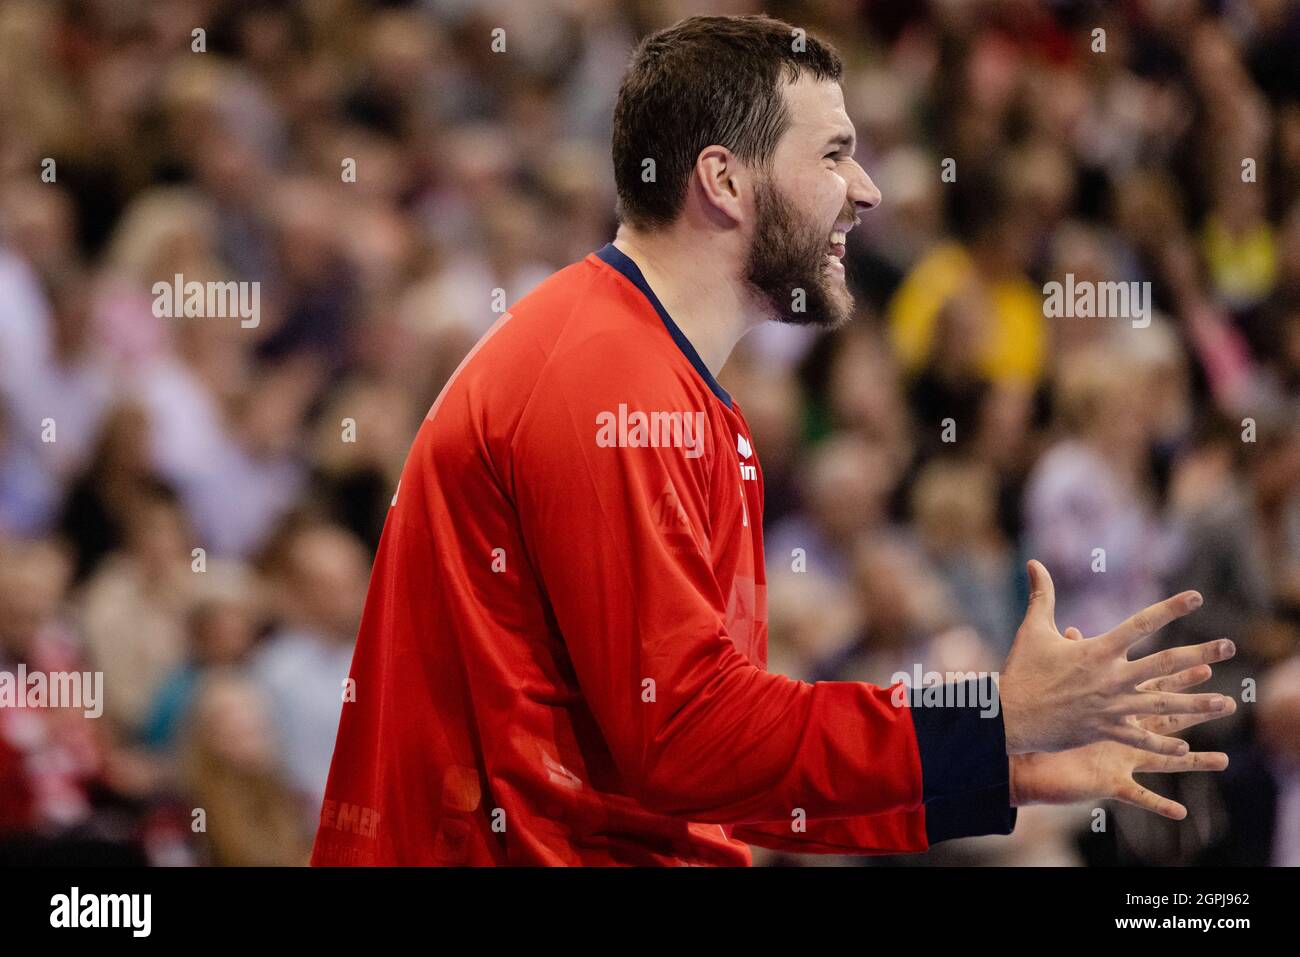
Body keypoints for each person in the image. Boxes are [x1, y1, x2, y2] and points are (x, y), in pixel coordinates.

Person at [312, 14, 1236, 867]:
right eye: (835, 153)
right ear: (724, 180)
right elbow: (687, 736)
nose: (865, 191)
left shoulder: (668, 386)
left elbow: (723, 767)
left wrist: (1005, 766)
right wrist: (987, 722)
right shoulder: (608, 383)